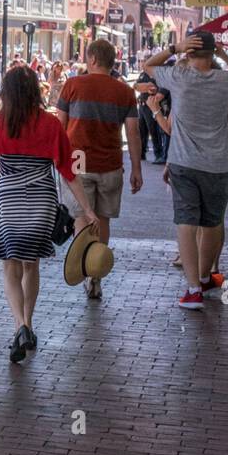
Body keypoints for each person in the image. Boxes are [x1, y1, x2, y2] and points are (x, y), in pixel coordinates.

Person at [0, 67, 97, 363]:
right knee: (31, 265)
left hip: (7, 200)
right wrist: (86, 209)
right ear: (35, 91)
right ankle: (28, 325)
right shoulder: (50, 124)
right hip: (41, 201)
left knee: (10, 266)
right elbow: (69, 172)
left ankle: (18, 325)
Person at [143, 31, 228, 309]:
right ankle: (206, 276)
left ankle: (193, 290)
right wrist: (225, 55)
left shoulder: (178, 78)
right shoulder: (225, 80)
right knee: (212, 223)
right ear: (212, 52)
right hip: (217, 165)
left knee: (186, 223)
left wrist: (173, 47)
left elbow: (148, 66)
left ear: (189, 53)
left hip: (183, 163)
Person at [53, 39, 142, 300]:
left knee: (81, 217)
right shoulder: (125, 91)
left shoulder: (73, 85)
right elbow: (133, 132)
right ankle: (96, 275)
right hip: (111, 163)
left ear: (92, 60)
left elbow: (61, 125)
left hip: (77, 161)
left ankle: (83, 270)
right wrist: (136, 168)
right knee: (103, 219)